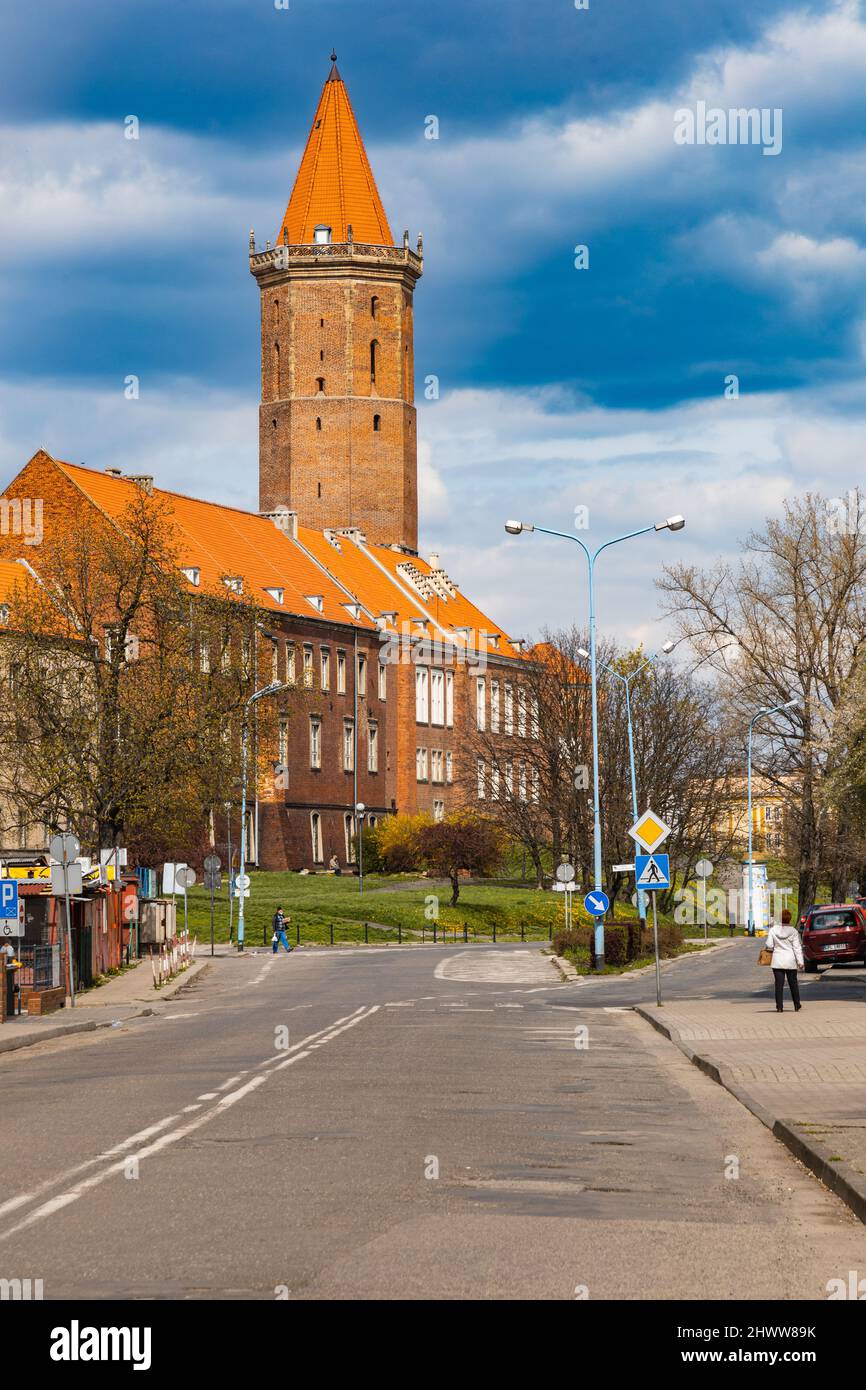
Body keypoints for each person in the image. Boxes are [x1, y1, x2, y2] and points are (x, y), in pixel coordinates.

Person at [765, 908, 803, 1012]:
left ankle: (779, 1007)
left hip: (777, 960)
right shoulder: (794, 932)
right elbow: (797, 948)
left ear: (780, 919)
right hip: (790, 960)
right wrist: (800, 962)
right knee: (793, 983)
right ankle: (797, 1004)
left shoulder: (773, 930)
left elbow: (769, 945)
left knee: (778, 984)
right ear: (789, 919)